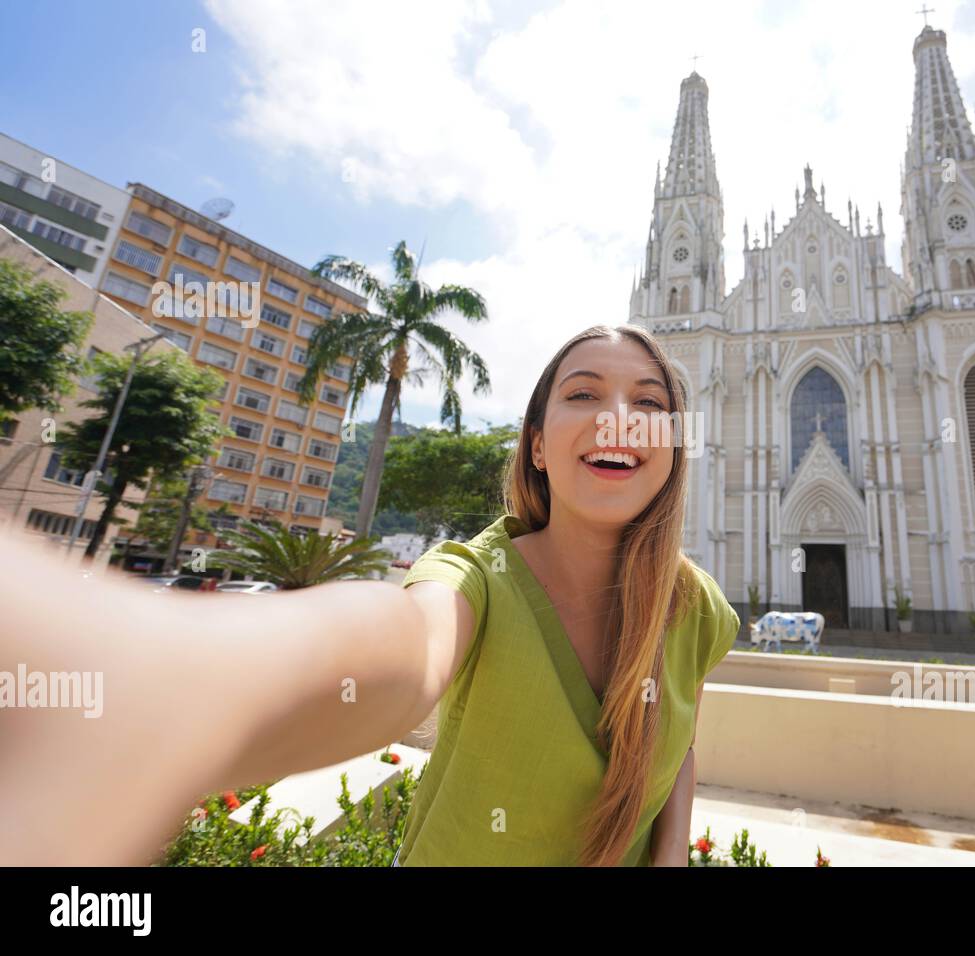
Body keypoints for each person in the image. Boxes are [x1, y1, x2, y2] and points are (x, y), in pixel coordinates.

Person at [0, 324, 739, 867]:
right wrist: (176, 675)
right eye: (584, 393)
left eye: (649, 402)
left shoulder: (695, 607)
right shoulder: (476, 577)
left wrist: (668, 857)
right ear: (538, 446)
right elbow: (409, 649)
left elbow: (677, 743)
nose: (617, 416)